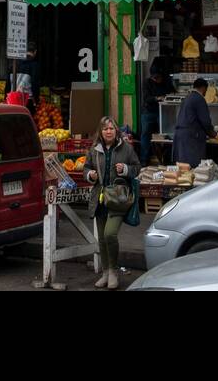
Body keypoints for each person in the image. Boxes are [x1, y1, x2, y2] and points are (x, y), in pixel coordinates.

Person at [84, 116, 139, 290]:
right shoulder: (94, 149)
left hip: (117, 199)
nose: (108, 131)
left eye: (111, 128)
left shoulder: (126, 148)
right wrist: (90, 175)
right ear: (100, 132)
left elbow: (137, 167)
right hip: (100, 198)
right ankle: (106, 272)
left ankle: (114, 271)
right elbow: (86, 167)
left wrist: (126, 169)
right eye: (105, 129)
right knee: (101, 239)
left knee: (109, 234)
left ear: (116, 131)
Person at [172, 78, 216, 165]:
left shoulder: (187, 98)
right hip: (192, 136)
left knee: (183, 166)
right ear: (203, 88)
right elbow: (205, 120)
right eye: (206, 90)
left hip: (180, 134)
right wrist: (212, 133)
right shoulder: (199, 99)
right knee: (194, 165)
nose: (205, 93)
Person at [139, 59, 172, 164]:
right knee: (145, 135)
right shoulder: (147, 82)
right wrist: (157, 98)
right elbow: (146, 98)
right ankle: (144, 160)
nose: (156, 80)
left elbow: (172, 92)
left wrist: (168, 97)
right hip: (148, 112)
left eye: (158, 78)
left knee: (167, 135)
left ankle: (167, 159)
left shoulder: (166, 81)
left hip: (163, 112)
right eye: (154, 78)